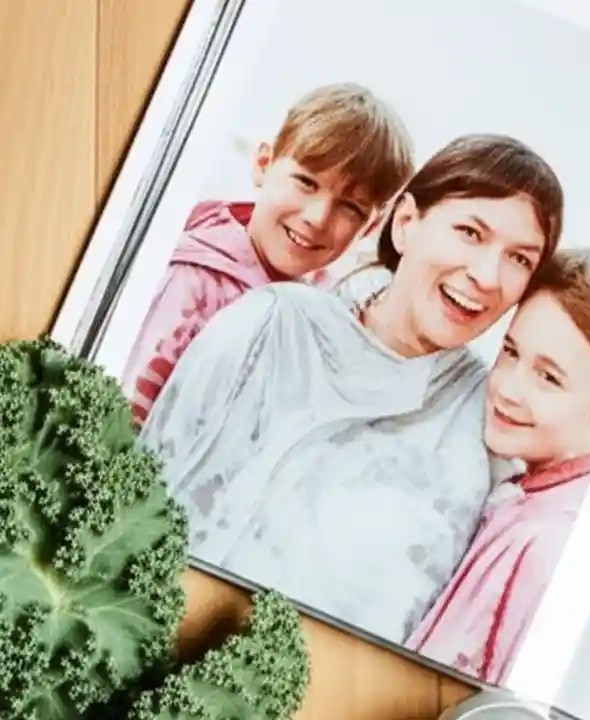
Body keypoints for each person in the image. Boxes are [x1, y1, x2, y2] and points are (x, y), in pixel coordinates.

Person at [137, 133, 564, 644]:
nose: (487, 275)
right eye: (470, 232)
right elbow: (142, 496)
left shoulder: (489, 428)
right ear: (405, 223)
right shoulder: (274, 323)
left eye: (520, 258)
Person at [404, 247, 590, 684]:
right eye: (511, 352)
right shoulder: (539, 497)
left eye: (548, 377)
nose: (507, 387)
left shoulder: (550, 543)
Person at [120, 82, 415, 425]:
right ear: (263, 164)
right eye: (306, 182)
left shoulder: (330, 314)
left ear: (368, 227)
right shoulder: (193, 281)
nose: (317, 218)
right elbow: (126, 411)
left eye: (349, 207)